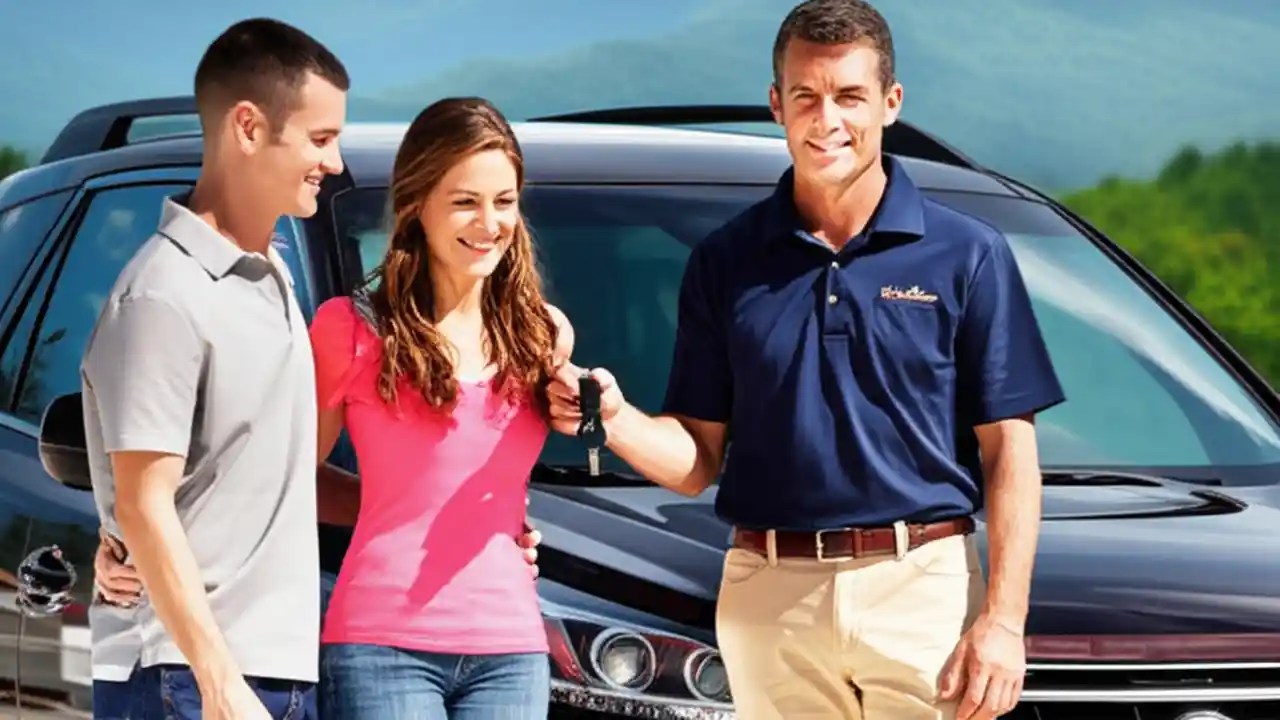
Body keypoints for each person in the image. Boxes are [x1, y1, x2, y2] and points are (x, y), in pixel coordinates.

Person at [547, 1, 1065, 719]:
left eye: (850, 96)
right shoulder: (725, 261)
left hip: (922, 588)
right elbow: (697, 458)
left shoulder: (968, 255)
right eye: (806, 97)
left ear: (890, 103)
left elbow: (1010, 451)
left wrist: (1004, 621)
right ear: (776, 105)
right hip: (769, 596)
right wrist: (614, 416)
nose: (828, 121)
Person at [79, 16, 350, 719]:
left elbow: (277, 475)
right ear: (249, 128)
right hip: (191, 678)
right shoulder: (163, 295)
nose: (336, 160)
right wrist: (218, 680)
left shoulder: (270, 281)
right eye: (321, 139)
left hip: (269, 670)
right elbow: (143, 503)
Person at [307, 96, 569, 720]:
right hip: (381, 647)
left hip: (512, 650)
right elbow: (287, 481)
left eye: (504, 202)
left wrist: (487, 525)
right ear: (415, 205)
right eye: (465, 201)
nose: (489, 222)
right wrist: (393, 506)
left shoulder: (542, 336)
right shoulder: (348, 330)